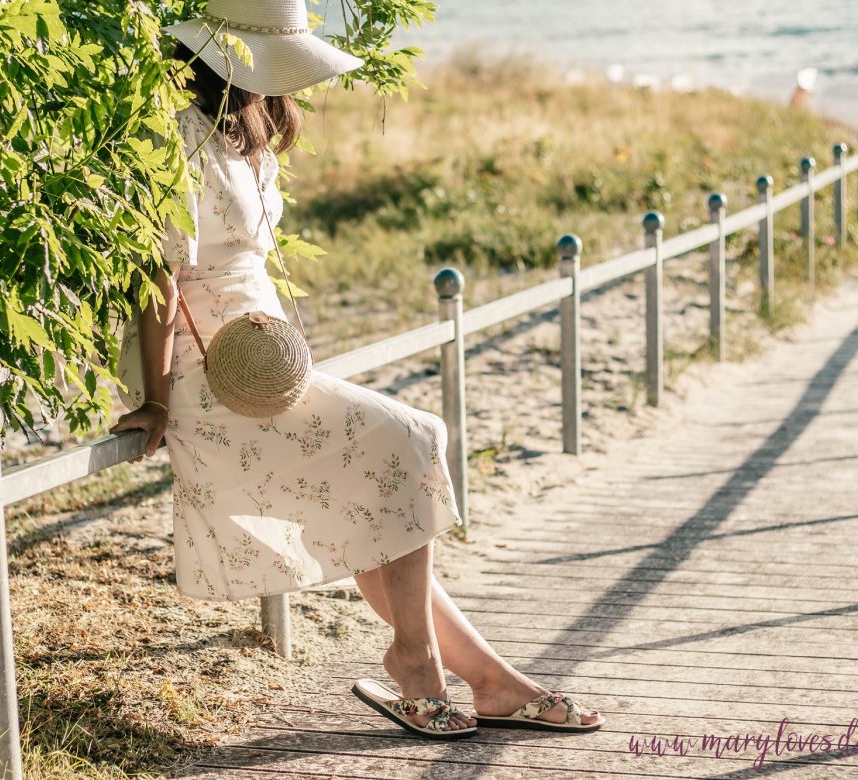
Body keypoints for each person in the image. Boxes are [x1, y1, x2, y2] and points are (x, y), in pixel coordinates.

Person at [109, 0, 603, 739]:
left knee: (383, 488)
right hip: (211, 373)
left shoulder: (242, 134)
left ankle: (484, 678)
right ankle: (423, 664)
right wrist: (153, 397)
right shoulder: (174, 135)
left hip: (262, 360)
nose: (282, 87)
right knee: (407, 437)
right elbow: (158, 274)